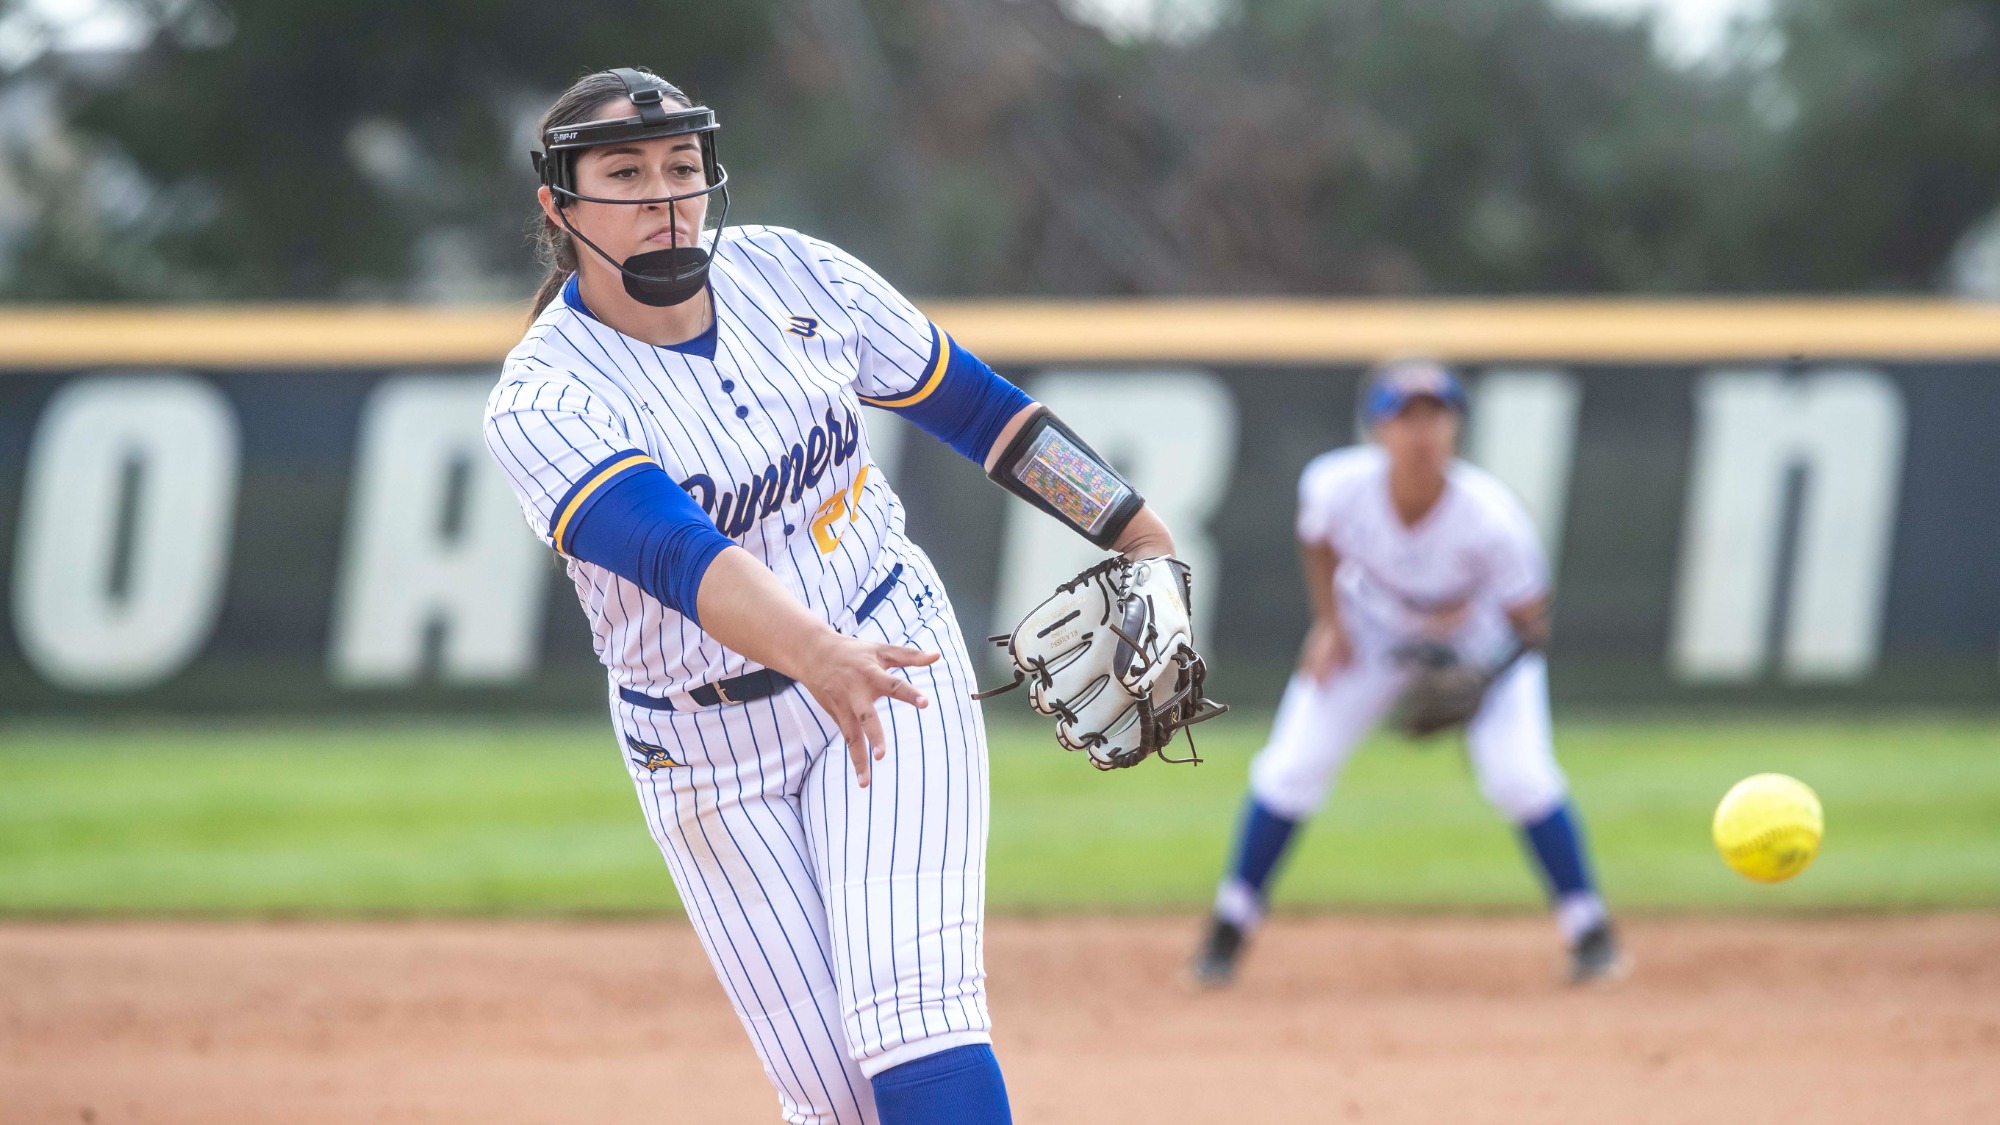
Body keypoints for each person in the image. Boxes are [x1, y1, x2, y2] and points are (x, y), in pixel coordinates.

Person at [482, 68, 1183, 1124]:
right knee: (836, 1099)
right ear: (559, 204)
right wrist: (814, 653)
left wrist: (1138, 531)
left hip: (889, 656)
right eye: (623, 174)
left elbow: (988, 418)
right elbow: (678, 553)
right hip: (701, 753)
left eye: (680, 168)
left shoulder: (794, 276)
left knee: (914, 1022)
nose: (662, 196)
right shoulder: (545, 398)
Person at [1189, 359, 1625, 988]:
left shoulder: (1493, 518)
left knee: (1521, 777)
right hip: (1371, 634)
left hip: (1481, 648)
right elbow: (1317, 540)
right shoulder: (1336, 485)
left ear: (1456, 429)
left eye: (1437, 415)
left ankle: (1592, 932)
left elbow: (1533, 623)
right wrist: (1330, 623)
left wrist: (1483, 679)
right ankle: (1227, 931)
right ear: (1377, 430)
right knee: (1290, 768)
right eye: (1406, 416)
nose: (1423, 432)